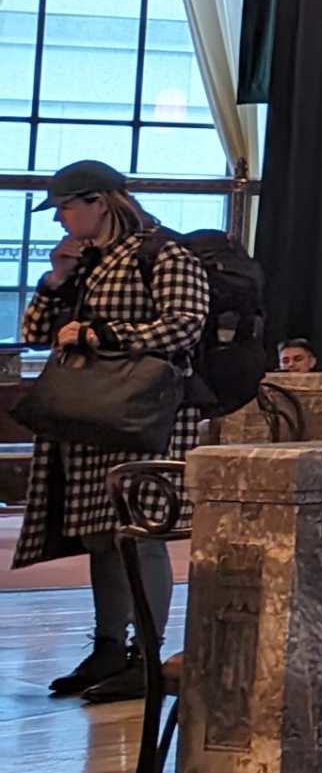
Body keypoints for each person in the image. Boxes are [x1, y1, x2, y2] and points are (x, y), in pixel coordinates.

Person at [13, 160, 213, 705]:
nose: (60, 221)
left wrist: (104, 333)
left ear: (101, 202)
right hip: (90, 417)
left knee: (142, 534)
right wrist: (56, 279)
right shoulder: (84, 262)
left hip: (147, 419)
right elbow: (32, 334)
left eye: (66, 208)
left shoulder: (163, 253)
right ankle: (108, 645)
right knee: (104, 535)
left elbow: (185, 323)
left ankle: (146, 655)